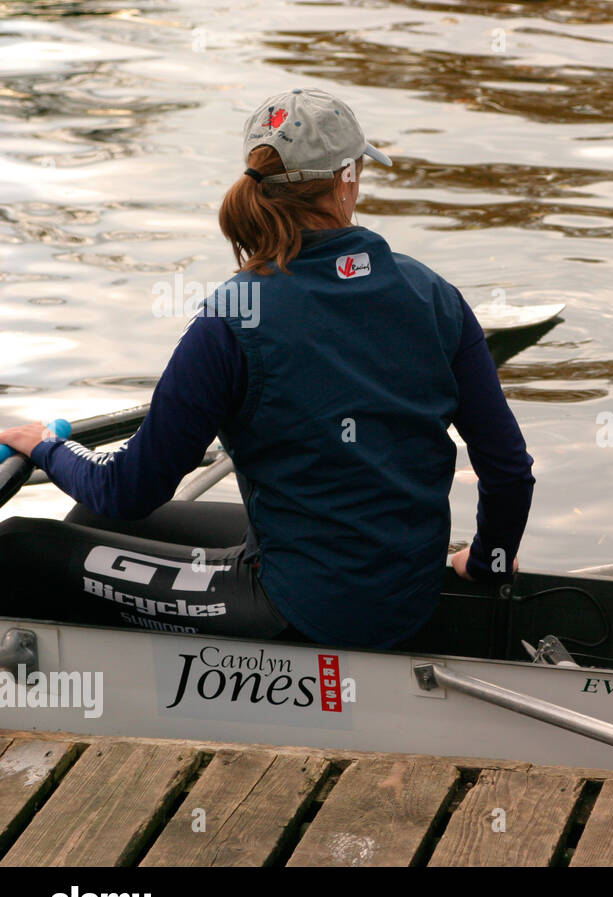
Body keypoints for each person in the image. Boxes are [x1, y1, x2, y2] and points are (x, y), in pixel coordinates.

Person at [0, 88, 534, 649]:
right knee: (94, 518)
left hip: (301, 611)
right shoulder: (435, 295)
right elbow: (507, 470)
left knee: (18, 548)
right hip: (408, 591)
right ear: (348, 178)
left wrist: (45, 448)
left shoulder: (233, 315)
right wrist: (489, 562)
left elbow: (131, 487)